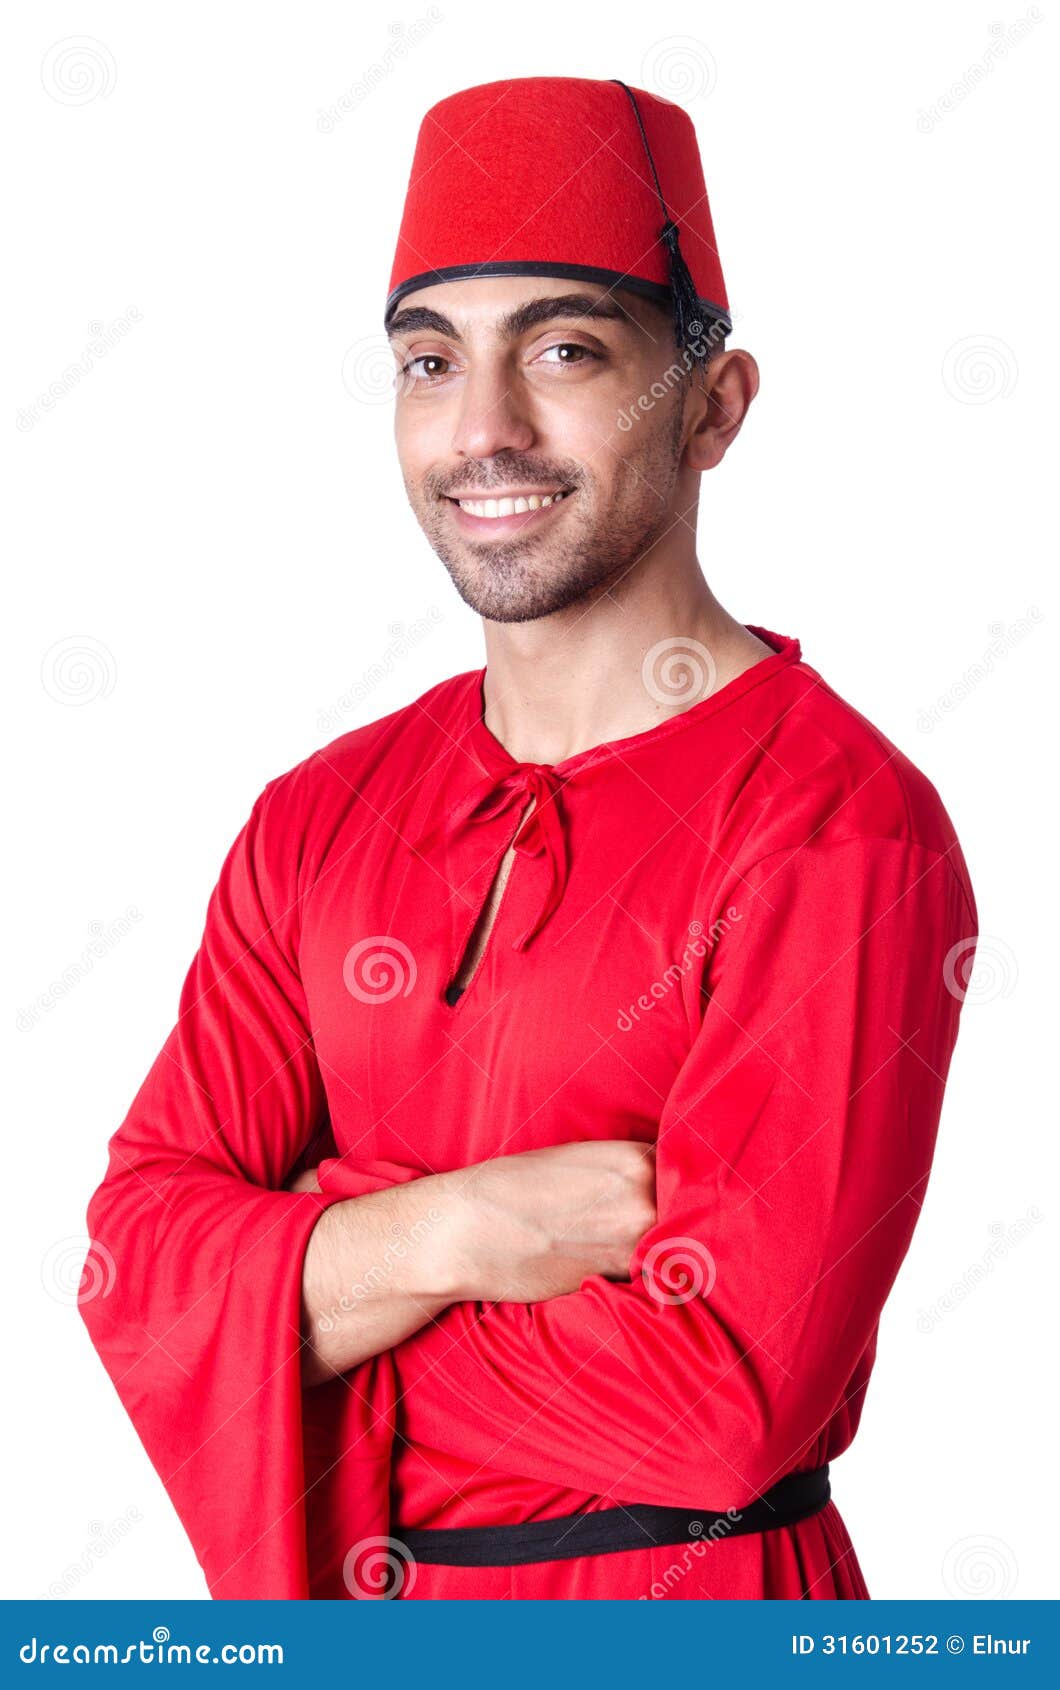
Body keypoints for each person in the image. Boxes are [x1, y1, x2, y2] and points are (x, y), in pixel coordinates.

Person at [79, 75, 978, 1601]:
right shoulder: (318, 816)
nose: (483, 428)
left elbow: (722, 1401)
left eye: (564, 349)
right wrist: (461, 1229)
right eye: (431, 362)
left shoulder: (836, 827)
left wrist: (287, 1292)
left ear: (713, 404)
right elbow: (134, 1270)